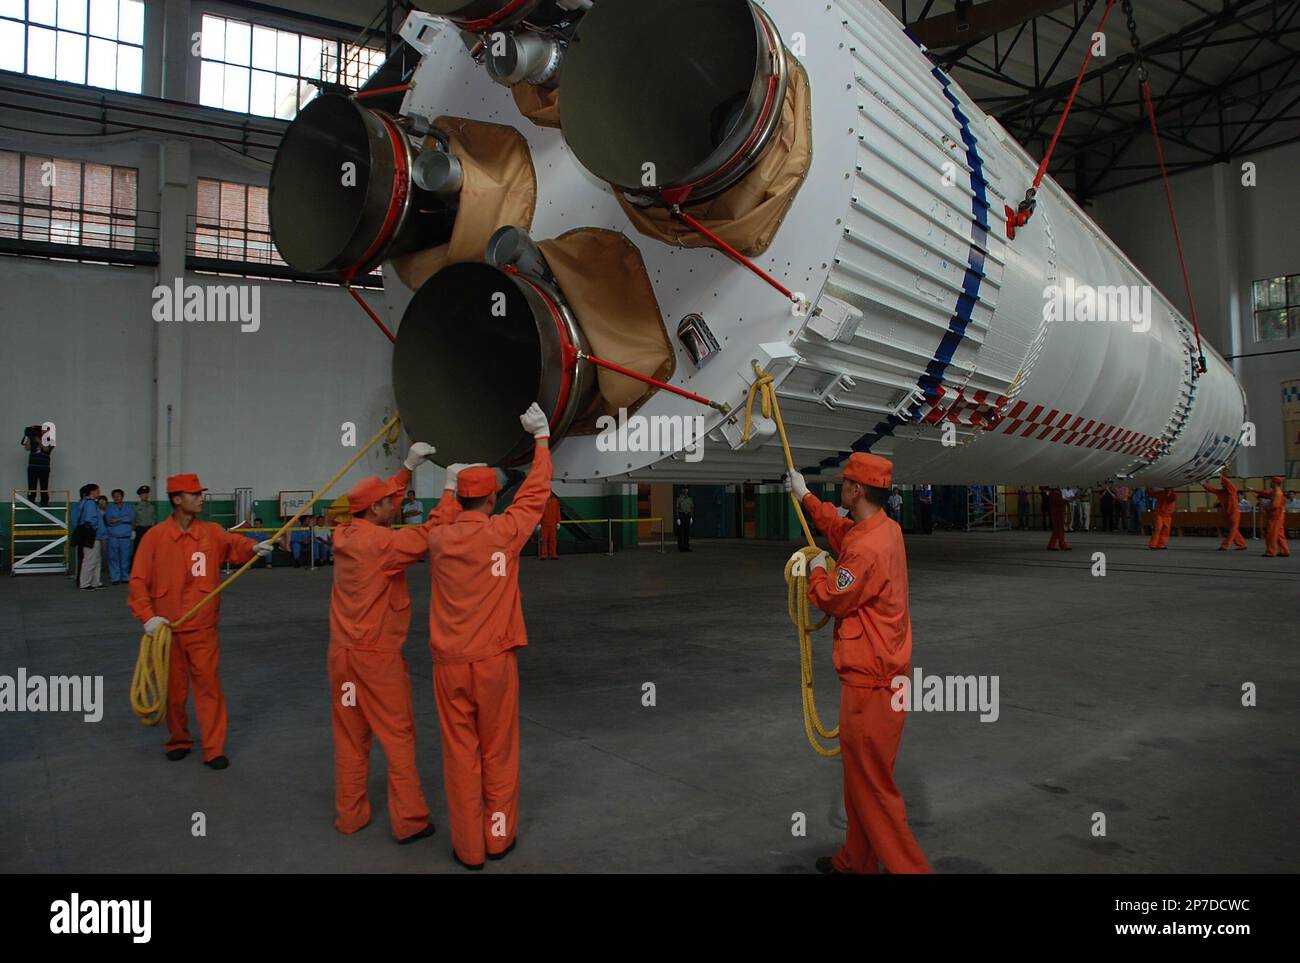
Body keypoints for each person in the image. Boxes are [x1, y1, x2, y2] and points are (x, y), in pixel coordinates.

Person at [786, 455, 930, 875]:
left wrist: (815, 571)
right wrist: (807, 497)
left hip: (872, 685)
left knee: (875, 793)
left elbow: (832, 595)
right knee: (861, 783)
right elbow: (840, 530)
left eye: (845, 483)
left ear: (857, 490)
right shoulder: (884, 530)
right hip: (883, 678)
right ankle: (856, 862)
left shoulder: (865, 550)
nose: (841, 488)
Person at [425, 404, 552, 870]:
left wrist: (445, 484)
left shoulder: (438, 539)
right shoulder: (503, 533)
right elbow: (535, 496)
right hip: (494, 662)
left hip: (449, 664)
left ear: (459, 501)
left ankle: (469, 849)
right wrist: (540, 439)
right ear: (491, 501)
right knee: (498, 751)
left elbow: (437, 522)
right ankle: (498, 840)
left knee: (461, 757)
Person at [328, 443, 471, 843]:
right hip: (377, 659)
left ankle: (350, 816)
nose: (398, 504)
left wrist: (407, 467)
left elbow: (380, 501)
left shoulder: (347, 532)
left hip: (342, 655)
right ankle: (409, 821)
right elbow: (431, 533)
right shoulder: (384, 546)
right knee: (397, 734)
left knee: (350, 736)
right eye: (391, 502)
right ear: (375, 511)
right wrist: (449, 488)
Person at [128, 473, 274, 768]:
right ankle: (179, 739)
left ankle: (214, 748)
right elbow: (138, 581)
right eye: (194, 494)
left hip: (203, 630)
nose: (201, 498)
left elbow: (234, 544)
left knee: (209, 689)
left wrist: (254, 547)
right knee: (173, 692)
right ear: (177, 500)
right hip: (168, 631)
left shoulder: (211, 532)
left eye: (200, 493)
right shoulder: (155, 537)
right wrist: (148, 617)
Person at [71, 483, 107, 589]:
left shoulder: (83, 502)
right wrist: (96, 530)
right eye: (97, 490)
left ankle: (95, 582)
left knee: (95, 559)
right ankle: (85, 583)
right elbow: (91, 519)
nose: (99, 493)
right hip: (92, 535)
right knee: (90, 559)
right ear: (92, 491)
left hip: (90, 534)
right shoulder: (90, 503)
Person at [1202, 471, 1247, 551]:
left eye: (1223, 484)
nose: (1222, 485)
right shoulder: (1222, 492)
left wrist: (1221, 476)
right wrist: (1203, 484)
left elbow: (1228, 484)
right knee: (1233, 530)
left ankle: (1225, 545)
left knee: (1233, 530)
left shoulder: (1232, 490)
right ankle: (1242, 544)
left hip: (1234, 513)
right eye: (1222, 484)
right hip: (1228, 513)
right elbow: (1212, 490)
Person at [1249, 476, 1291, 558]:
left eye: (1271, 482)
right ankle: (1284, 551)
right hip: (1278, 517)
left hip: (1275, 517)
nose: (1270, 483)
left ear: (1275, 483)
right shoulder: (1276, 492)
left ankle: (1270, 552)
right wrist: (1254, 490)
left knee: (1271, 535)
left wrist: (1265, 506)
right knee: (1279, 535)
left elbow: (1274, 505)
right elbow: (1265, 493)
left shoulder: (1277, 493)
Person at [103, 489, 135, 584]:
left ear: (122, 496)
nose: (117, 497)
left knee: (125, 557)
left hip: (125, 536)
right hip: (113, 536)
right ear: (112, 497)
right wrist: (124, 519)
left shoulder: (128, 507)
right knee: (113, 557)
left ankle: (125, 576)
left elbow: (131, 518)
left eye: (118, 495)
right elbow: (110, 522)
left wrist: (117, 519)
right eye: (114, 496)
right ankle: (115, 577)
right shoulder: (109, 508)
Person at [21, 423, 53, 506]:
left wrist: (38, 441)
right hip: (32, 467)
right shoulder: (33, 438)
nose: (44, 432)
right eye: (43, 430)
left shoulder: (50, 440)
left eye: (47, 431)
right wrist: (28, 436)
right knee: (31, 485)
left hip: (44, 467)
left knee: (44, 486)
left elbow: (46, 449)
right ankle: (31, 501)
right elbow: (27, 448)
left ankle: (44, 502)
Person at [1044, 486, 1071, 551]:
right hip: (1057, 512)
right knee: (1058, 529)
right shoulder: (1054, 494)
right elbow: (1058, 502)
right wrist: (1066, 501)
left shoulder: (1054, 493)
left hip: (1058, 512)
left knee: (1059, 529)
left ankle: (1059, 544)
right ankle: (1059, 545)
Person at [539, 490, 561, 560]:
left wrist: (558, 522)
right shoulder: (542, 501)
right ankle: (544, 554)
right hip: (544, 524)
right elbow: (539, 513)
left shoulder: (555, 501)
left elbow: (558, 511)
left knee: (553, 540)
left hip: (553, 524)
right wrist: (539, 523)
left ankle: (553, 554)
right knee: (544, 540)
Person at [134, 485, 155, 552]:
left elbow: (153, 518)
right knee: (139, 549)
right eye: (143, 494)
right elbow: (133, 520)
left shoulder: (151, 506)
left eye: (147, 493)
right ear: (140, 496)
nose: (145, 495)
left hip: (150, 530)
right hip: (140, 530)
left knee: (150, 550)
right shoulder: (136, 507)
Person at [675, 486, 694, 552]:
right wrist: (678, 518)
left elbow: (691, 508)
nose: (686, 490)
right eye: (684, 489)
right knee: (681, 532)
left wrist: (691, 516)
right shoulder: (679, 499)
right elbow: (677, 509)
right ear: (682, 490)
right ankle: (680, 547)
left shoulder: (690, 499)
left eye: (686, 489)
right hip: (681, 515)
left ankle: (686, 546)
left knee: (687, 532)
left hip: (687, 515)